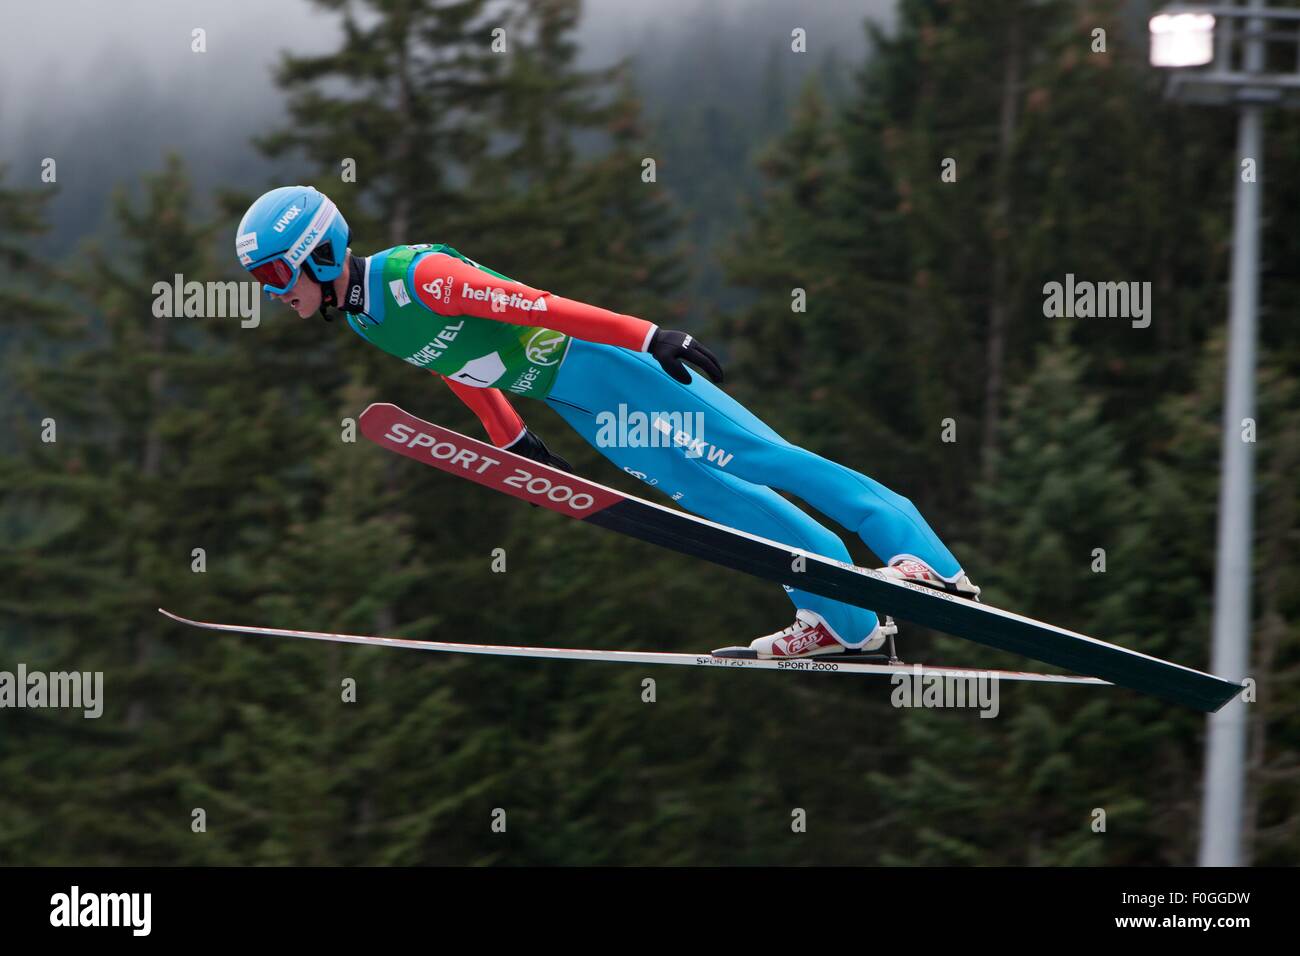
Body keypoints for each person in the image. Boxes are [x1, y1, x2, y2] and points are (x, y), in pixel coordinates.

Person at [235, 185, 979, 659]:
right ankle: (843, 620)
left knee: (757, 458)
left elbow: (541, 305)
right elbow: (452, 366)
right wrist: (513, 440)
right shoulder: (367, 320)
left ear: (323, 255)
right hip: (577, 402)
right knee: (710, 498)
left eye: (274, 275)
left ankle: (928, 563)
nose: (272, 294)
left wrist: (650, 336)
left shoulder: (420, 277)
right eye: (259, 282)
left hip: (615, 366)